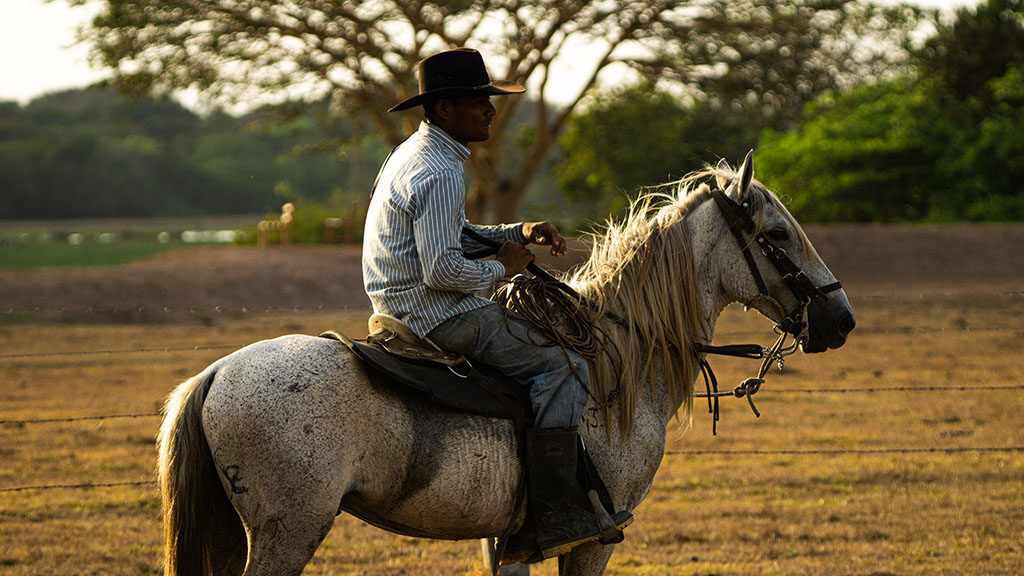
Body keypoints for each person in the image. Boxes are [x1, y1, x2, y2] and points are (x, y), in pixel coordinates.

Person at [362, 47, 630, 559]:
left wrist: (516, 232)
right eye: (480, 101)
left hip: (400, 306)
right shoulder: (439, 172)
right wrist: (502, 268)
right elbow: (442, 269)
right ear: (445, 110)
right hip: (437, 315)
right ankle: (552, 517)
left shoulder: (414, 154)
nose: (490, 109)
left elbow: (456, 234)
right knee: (566, 363)